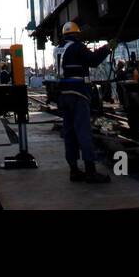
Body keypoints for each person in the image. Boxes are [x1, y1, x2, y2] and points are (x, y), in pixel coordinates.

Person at [55, 21, 115, 184]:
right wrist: (107, 48)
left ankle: (74, 170)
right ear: (76, 34)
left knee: (69, 132)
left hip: (64, 94)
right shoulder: (77, 47)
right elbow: (93, 60)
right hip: (77, 94)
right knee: (83, 131)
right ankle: (90, 171)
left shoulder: (59, 49)